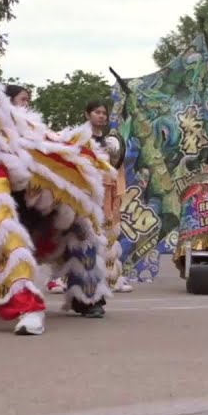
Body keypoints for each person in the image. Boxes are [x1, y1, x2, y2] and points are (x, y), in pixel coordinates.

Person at [84, 100, 132, 293]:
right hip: (87, 194)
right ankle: (66, 279)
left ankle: (112, 279)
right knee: (83, 236)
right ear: (87, 115)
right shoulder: (80, 138)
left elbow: (116, 167)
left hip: (107, 192)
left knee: (109, 233)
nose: (102, 116)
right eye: (97, 112)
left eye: (104, 113)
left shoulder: (109, 141)